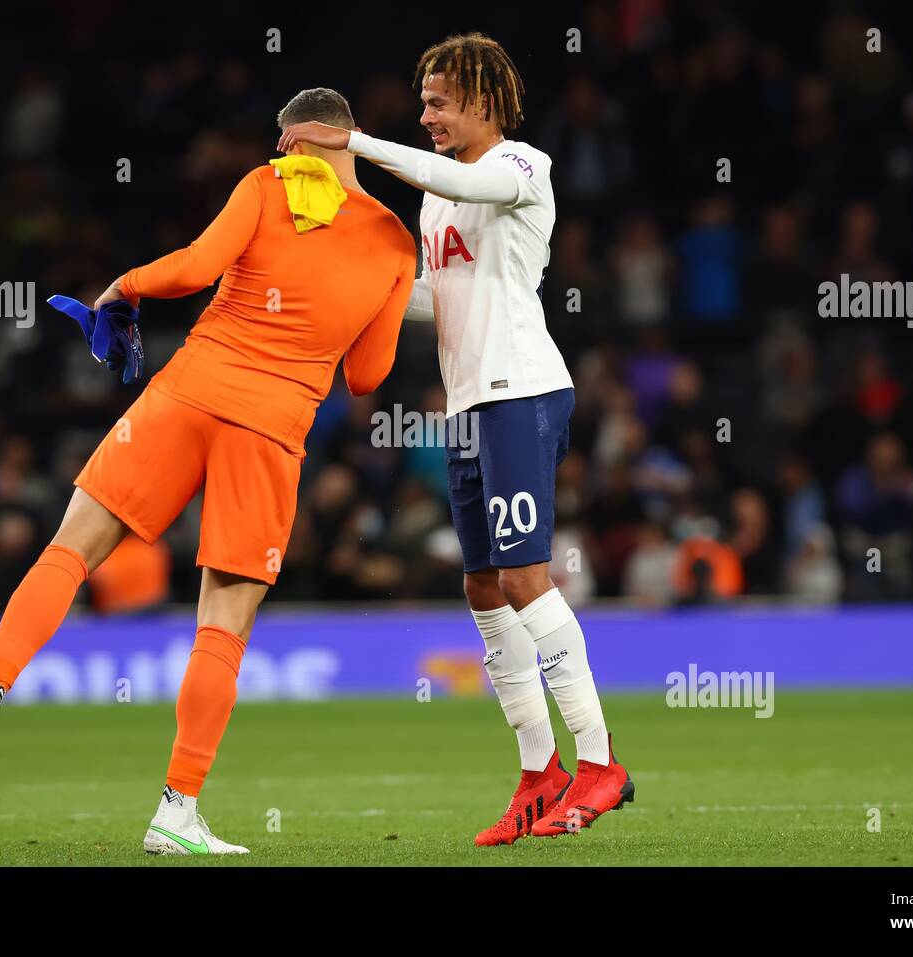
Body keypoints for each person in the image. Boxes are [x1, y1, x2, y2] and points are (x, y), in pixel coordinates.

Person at [0, 87, 417, 856]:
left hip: (187, 390)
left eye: (283, 146)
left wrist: (125, 286)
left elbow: (197, 268)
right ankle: (176, 810)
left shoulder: (263, 184)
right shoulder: (395, 243)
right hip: (271, 428)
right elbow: (369, 378)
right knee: (222, 626)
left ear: (298, 139)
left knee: (68, 549)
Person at [279, 33, 632, 845]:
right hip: (470, 405)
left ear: (485, 99)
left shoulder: (520, 168)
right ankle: (539, 772)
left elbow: (452, 174)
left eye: (439, 101)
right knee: (483, 587)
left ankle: (602, 761)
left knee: (526, 577)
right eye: (425, 102)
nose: (428, 114)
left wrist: (353, 143)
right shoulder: (441, 202)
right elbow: (442, 296)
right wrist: (355, 292)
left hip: (523, 392)